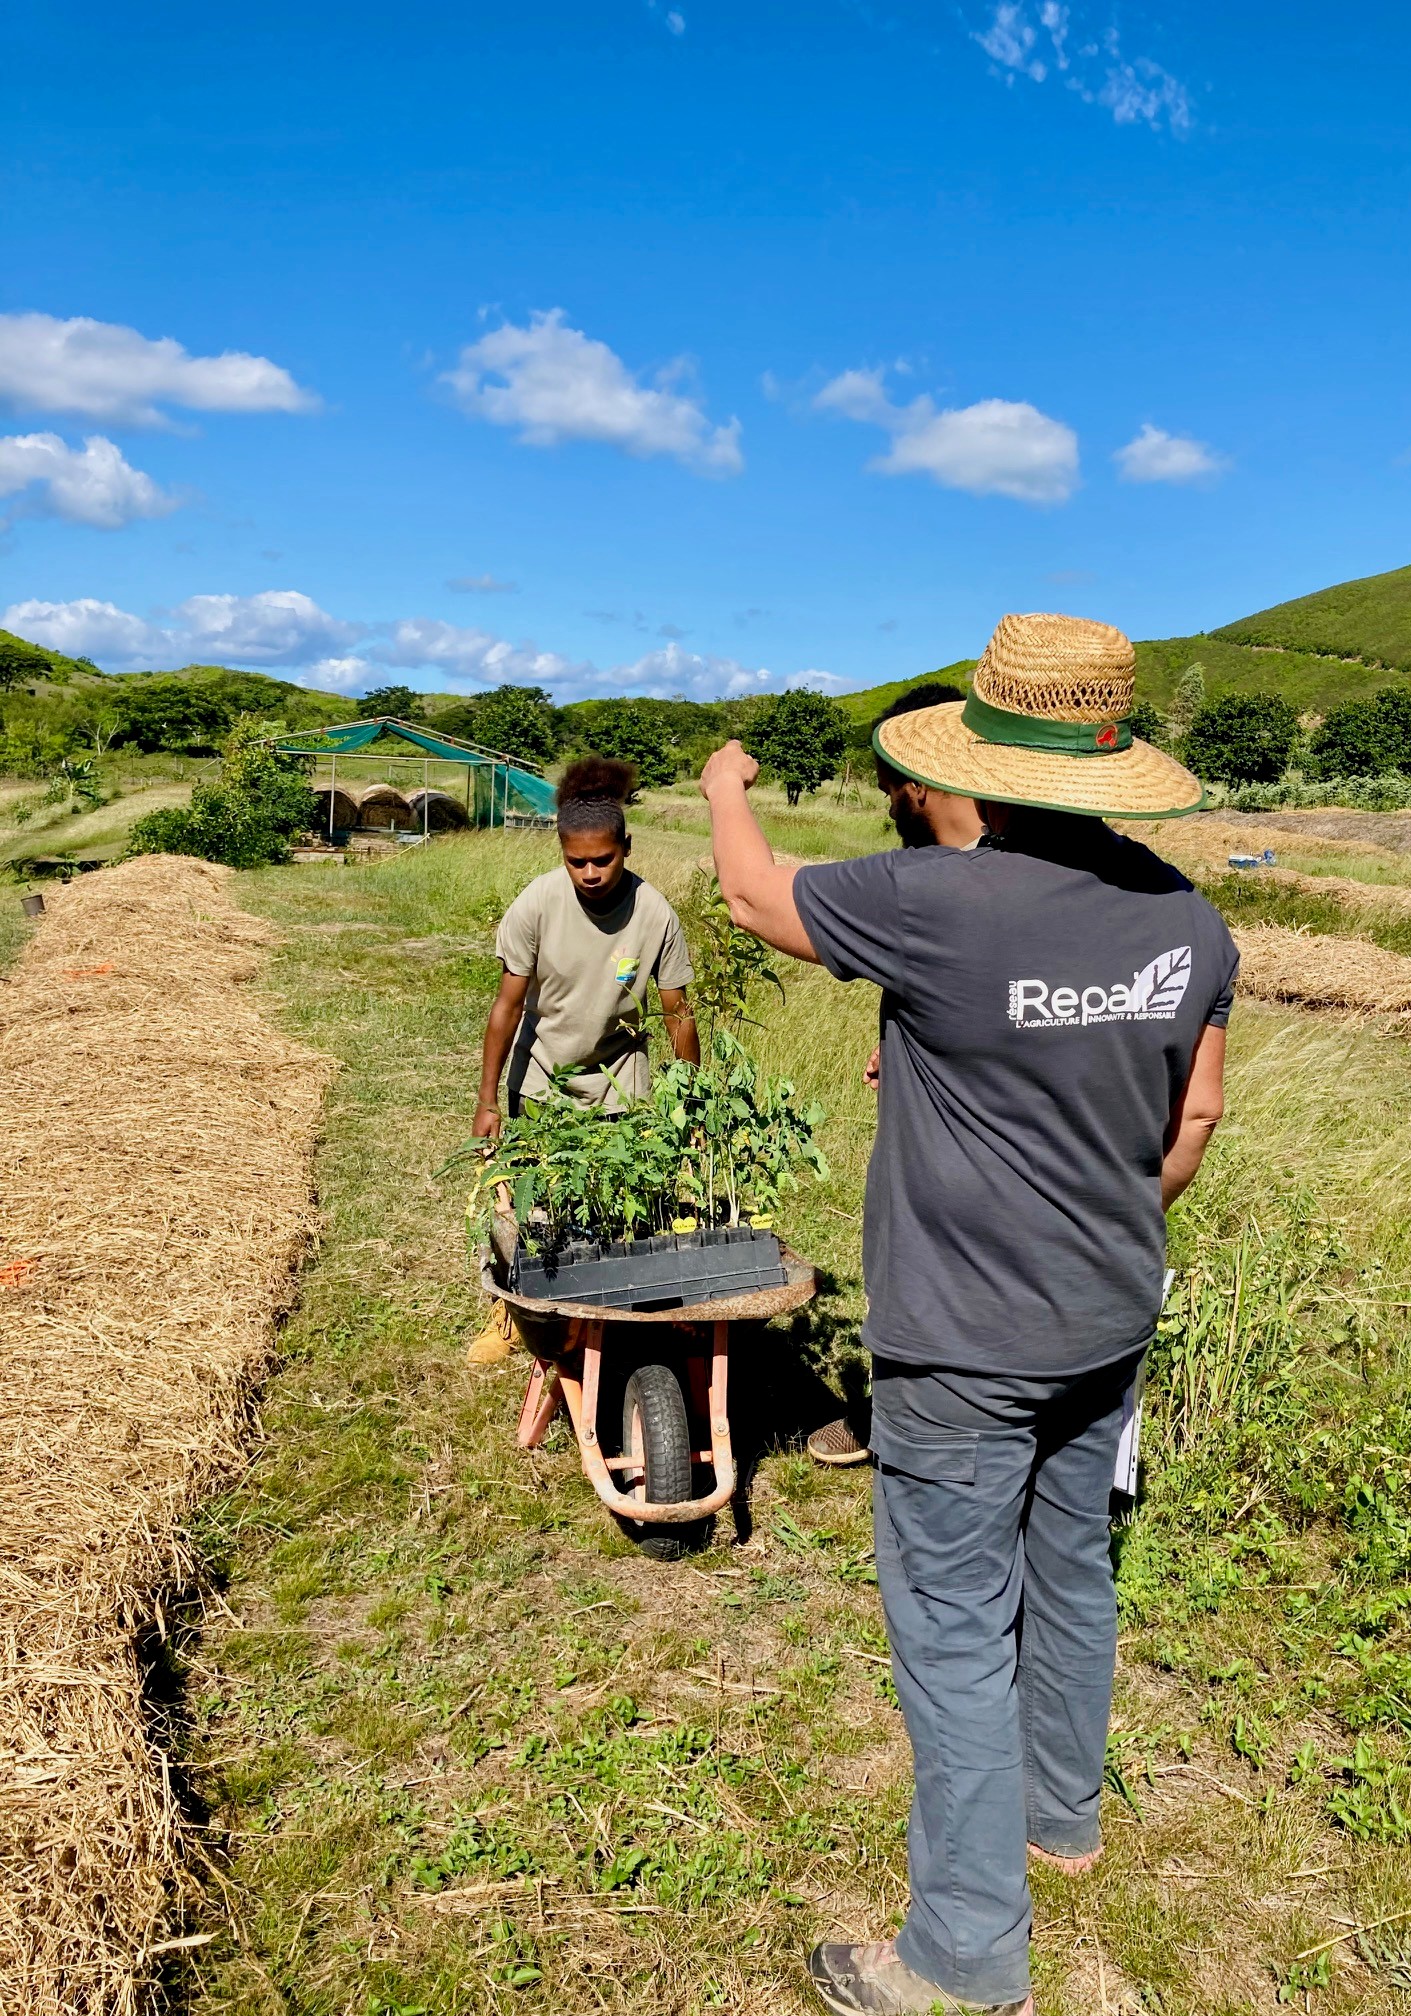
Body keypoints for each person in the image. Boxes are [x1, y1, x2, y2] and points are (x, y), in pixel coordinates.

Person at [699, 612, 1236, 2016]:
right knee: (1071, 1569)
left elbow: (755, 900)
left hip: (961, 1343)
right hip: (1107, 1313)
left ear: (989, 758)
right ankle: (1064, 1819)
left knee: (948, 1625)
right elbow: (1195, 1121)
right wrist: (1101, 1216)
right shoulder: (1190, 920)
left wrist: (722, 786)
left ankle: (962, 1955)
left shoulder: (941, 904)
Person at [807, 684, 984, 1469]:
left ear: (919, 778)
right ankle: (899, 1413)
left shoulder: (949, 880)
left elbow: (752, 896)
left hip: (972, 1145)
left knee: (921, 1261)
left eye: (887, 785)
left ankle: (910, 1429)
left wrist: (723, 792)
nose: (884, 801)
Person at [472, 754, 700, 1136]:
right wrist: (487, 1101)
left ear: (626, 846)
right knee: (539, 1194)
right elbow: (508, 1007)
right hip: (540, 1085)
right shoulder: (536, 904)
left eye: (602, 860)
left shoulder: (655, 914)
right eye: (576, 862)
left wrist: (693, 1106)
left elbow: (679, 1015)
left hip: (621, 1091)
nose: (590, 874)